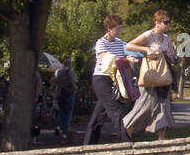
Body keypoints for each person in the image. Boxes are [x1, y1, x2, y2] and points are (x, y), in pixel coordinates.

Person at [124, 11, 177, 141]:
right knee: (143, 107)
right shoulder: (148, 35)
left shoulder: (167, 39)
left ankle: (161, 141)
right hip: (150, 78)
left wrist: (172, 56)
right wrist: (146, 50)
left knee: (163, 108)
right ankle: (125, 134)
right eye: (165, 22)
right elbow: (129, 45)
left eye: (168, 22)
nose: (167, 25)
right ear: (157, 22)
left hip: (163, 78)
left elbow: (173, 55)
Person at [83, 15, 133, 146]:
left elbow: (123, 57)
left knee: (99, 115)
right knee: (115, 110)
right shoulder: (101, 43)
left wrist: (129, 58)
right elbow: (106, 58)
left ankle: (88, 145)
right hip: (101, 79)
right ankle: (126, 142)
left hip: (113, 79)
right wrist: (125, 59)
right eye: (117, 28)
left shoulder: (119, 42)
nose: (119, 31)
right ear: (108, 28)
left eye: (120, 28)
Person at [53, 58, 78, 140]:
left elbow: (54, 82)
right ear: (70, 64)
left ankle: (59, 126)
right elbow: (74, 82)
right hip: (69, 94)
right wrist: (75, 90)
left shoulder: (58, 71)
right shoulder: (71, 72)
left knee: (61, 111)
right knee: (68, 114)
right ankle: (64, 132)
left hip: (60, 94)